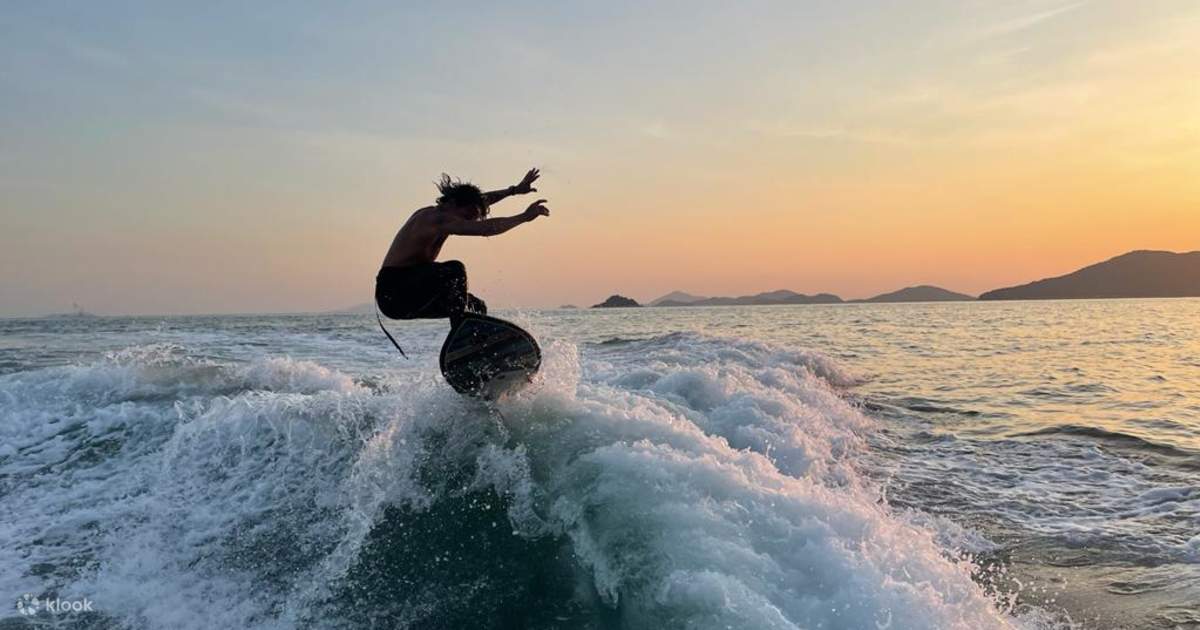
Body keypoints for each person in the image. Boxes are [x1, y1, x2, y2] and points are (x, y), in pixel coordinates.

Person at [376, 168, 550, 330]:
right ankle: (461, 333)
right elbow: (486, 229)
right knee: (454, 270)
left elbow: (483, 200)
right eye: (466, 218)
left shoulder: (449, 212)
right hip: (394, 292)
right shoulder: (434, 218)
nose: (466, 224)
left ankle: (473, 352)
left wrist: (513, 190)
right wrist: (524, 217)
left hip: (410, 292)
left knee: (475, 305)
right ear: (452, 203)